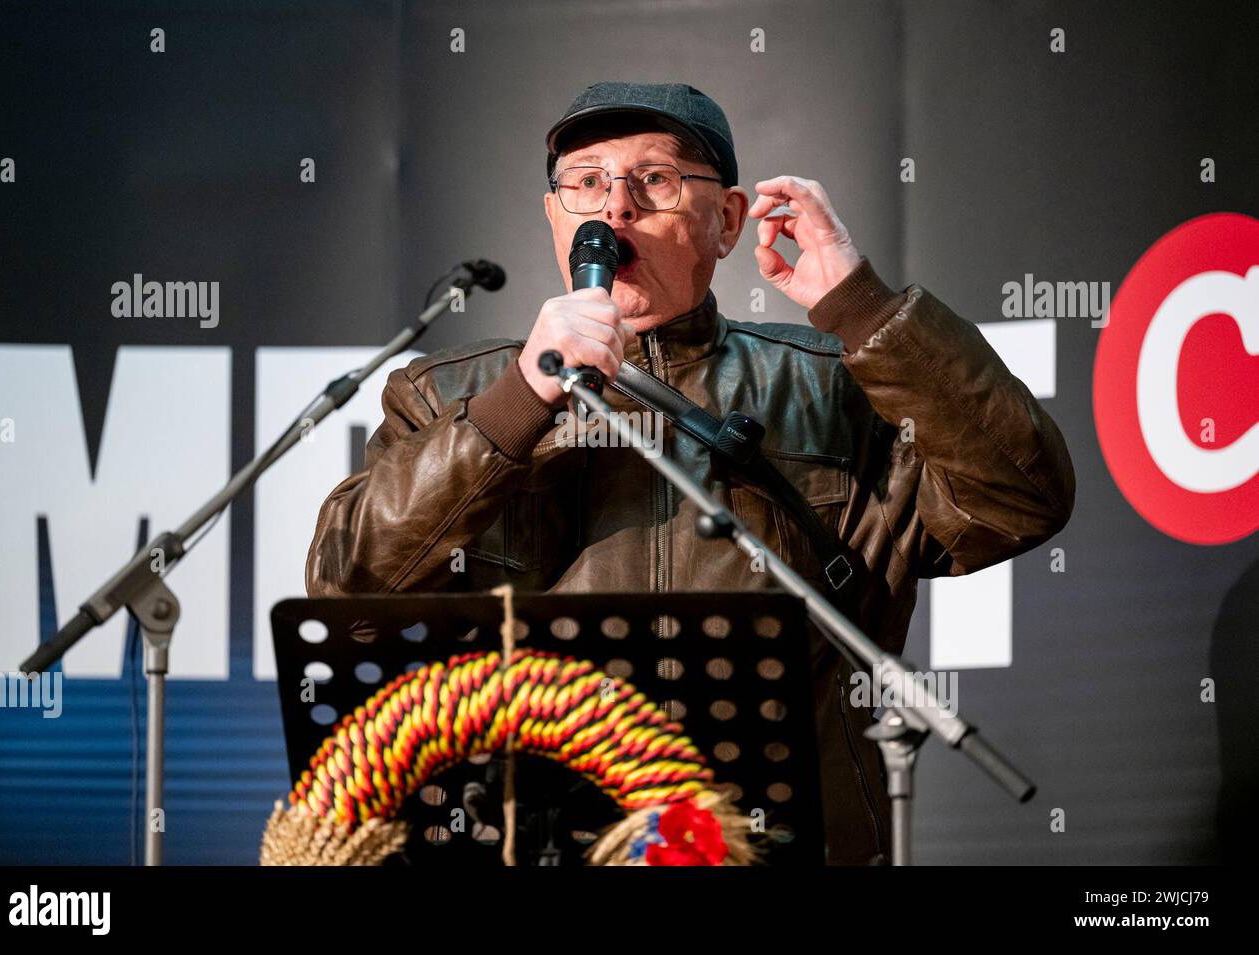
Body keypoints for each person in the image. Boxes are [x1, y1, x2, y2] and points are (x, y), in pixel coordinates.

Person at [306, 81, 1076, 865]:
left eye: (655, 180)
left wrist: (861, 306)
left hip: (781, 846)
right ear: (553, 216)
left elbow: (1022, 498)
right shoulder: (448, 396)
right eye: (587, 181)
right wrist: (517, 404)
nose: (614, 209)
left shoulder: (839, 388)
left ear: (729, 221)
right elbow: (347, 589)